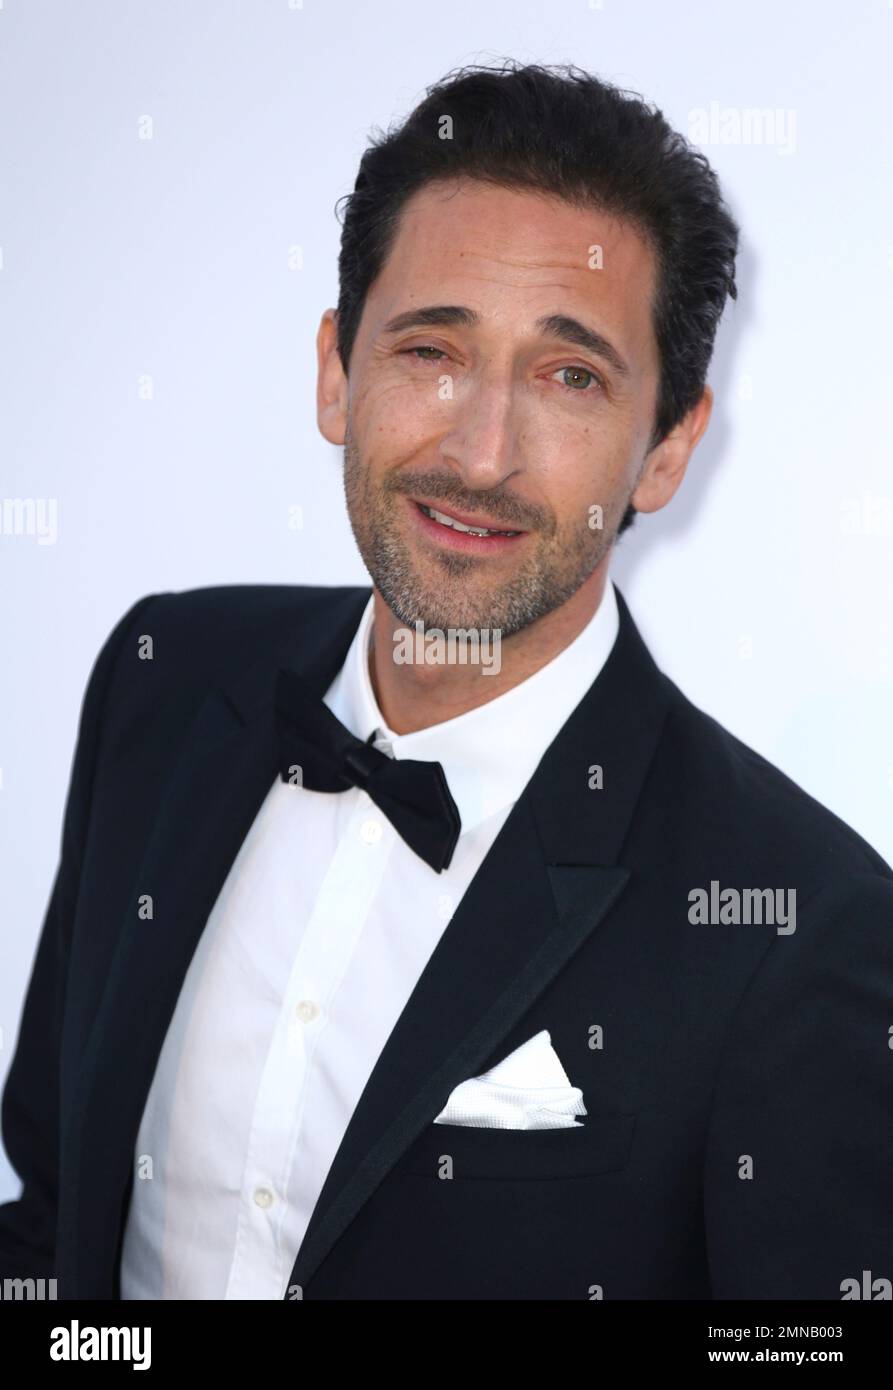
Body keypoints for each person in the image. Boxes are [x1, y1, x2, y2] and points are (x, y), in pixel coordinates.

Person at [2, 61, 891, 1301]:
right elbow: (51, 1214)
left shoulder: (802, 924)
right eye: (430, 348)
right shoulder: (162, 681)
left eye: (568, 376)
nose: (479, 453)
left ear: (669, 445)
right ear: (334, 371)